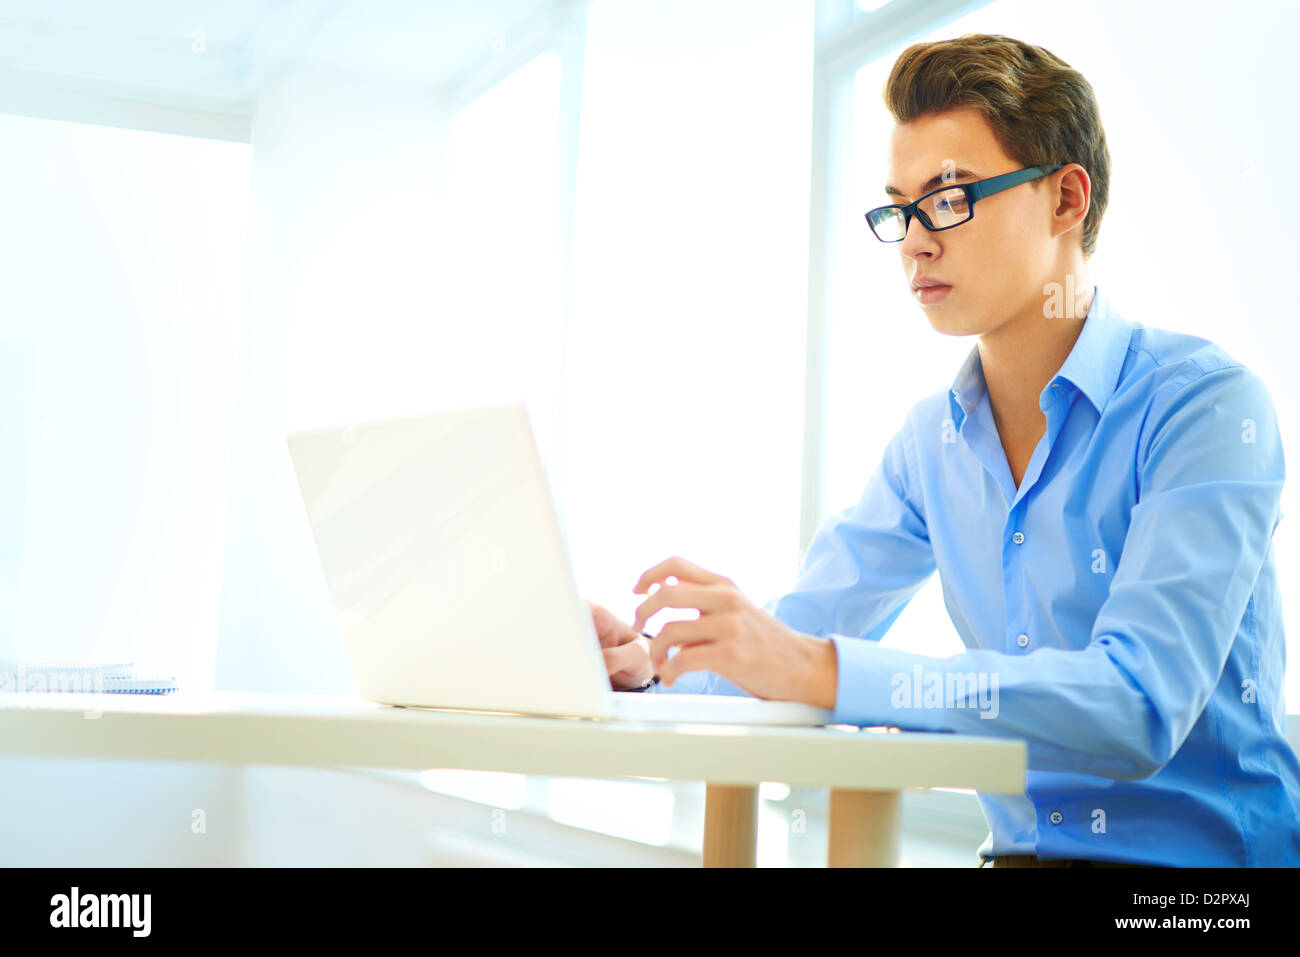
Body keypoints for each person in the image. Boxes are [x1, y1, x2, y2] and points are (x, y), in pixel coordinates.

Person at [586, 33, 1300, 868]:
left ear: (1068, 198)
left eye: (951, 197)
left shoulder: (1203, 407)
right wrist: (650, 666)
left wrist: (820, 668)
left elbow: (1137, 704)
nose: (916, 241)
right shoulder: (932, 443)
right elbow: (799, 636)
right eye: (901, 207)